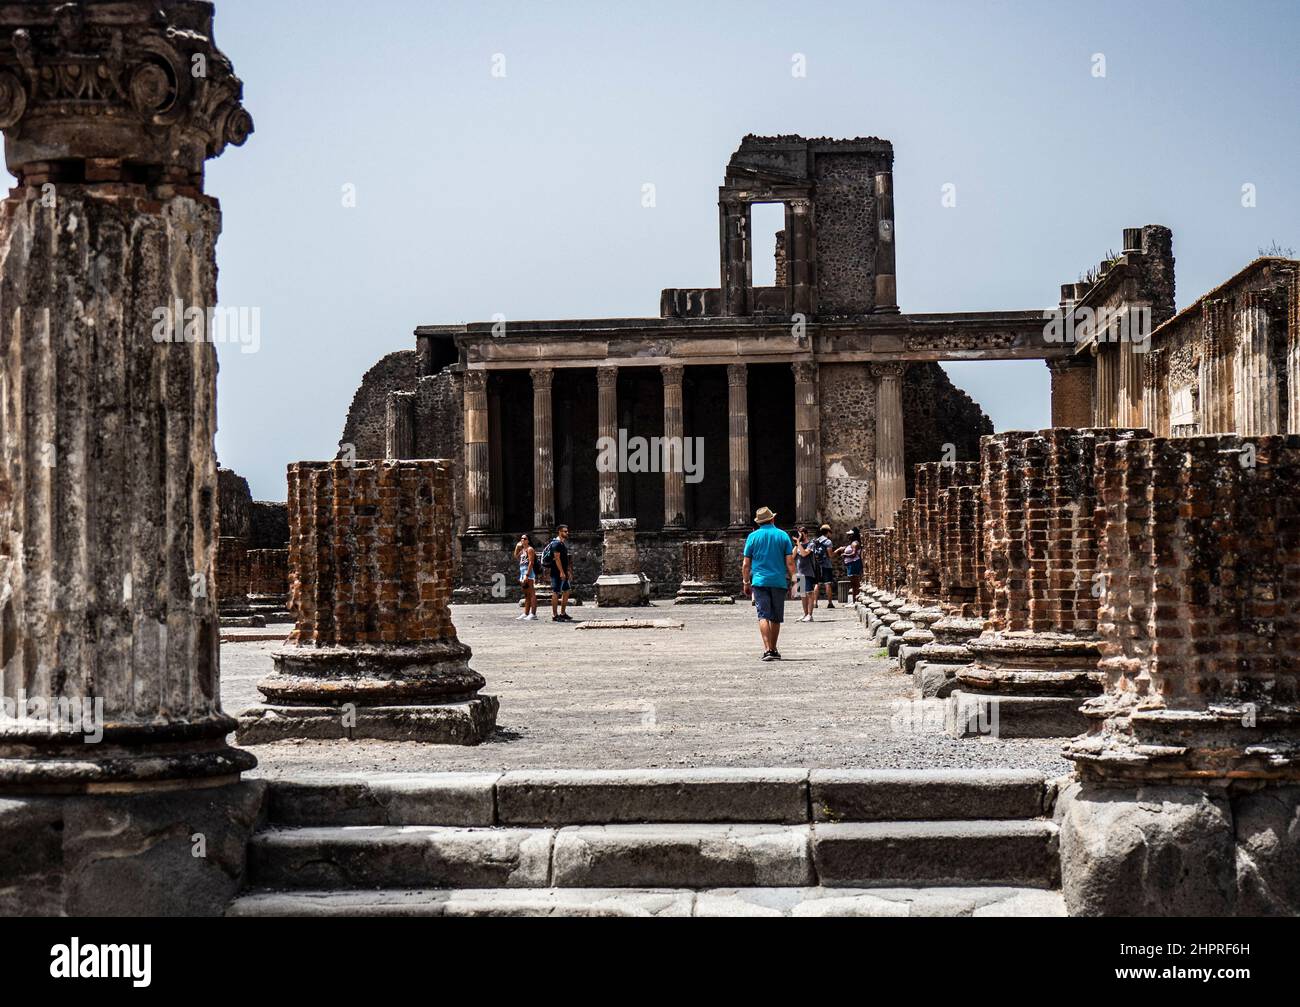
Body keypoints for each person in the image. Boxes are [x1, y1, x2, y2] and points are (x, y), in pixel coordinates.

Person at [742, 506, 795, 661]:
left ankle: (767, 650)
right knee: (776, 617)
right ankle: (774, 648)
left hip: (759, 581)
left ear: (759, 522)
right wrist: (796, 583)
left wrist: (746, 582)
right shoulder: (783, 535)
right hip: (778, 581)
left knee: (763, 615)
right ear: (773, 519)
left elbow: (746, 564)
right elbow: (790, 563)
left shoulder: (752, 537)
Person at [541, 523, 573, 622]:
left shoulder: (562, 543)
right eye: (565, 531)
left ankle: (562, 613)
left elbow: (564, 560)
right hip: (557, 572)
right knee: (556, 592)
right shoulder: (556, 543)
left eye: (567, 531)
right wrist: (562, 572)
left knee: (566, 591)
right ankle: (555, 615)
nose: (567, 533)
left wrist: (567, 571)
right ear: (559, 532)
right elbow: (557, 559)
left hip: (563, 572)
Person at [794, 526, 819, 622]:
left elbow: (804, 553)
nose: (800, 536)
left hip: (808, 572)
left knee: (809, 593)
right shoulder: (798, 544)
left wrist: (799, 544)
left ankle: (810, 615)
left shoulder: (811, 544)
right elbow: (792, 556)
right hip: (800, 572)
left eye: (801, 534)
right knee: (802, 594)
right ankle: (805, 614)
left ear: (806, 534)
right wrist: (797, 544)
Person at [512, 534, 539, 621]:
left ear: (528, 540)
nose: (522, 540)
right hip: (522, 571)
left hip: (528, 572)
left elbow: (531, 562)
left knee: (531, 592)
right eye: (521, 539)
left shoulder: (530, 549)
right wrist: (517, 546)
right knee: (526, 593)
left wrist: (527, 575)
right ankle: (526, 613)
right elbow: (516, 556)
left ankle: (533, 614)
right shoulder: (523, 550)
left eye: (525, 538)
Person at [836, 527, 863, 605]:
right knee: (853, 583)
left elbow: (854, 554)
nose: (848, 536)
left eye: (850, 535)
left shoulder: (855, 543)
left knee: (855, 583)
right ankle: (854, 600)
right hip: (851, 564)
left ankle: (855, 601)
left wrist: (845, 555)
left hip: (854, 564)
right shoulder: (852, 543)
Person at [813, 524, 837, 608]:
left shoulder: (816, 541)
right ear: (828, 532)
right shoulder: (828, 542)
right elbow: (830, 555)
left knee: (817, 584)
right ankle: (830, 603)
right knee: (828, 584)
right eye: (830, 532)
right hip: (826, 565)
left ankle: (815, 603)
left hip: (818, 565)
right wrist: (838, 551)